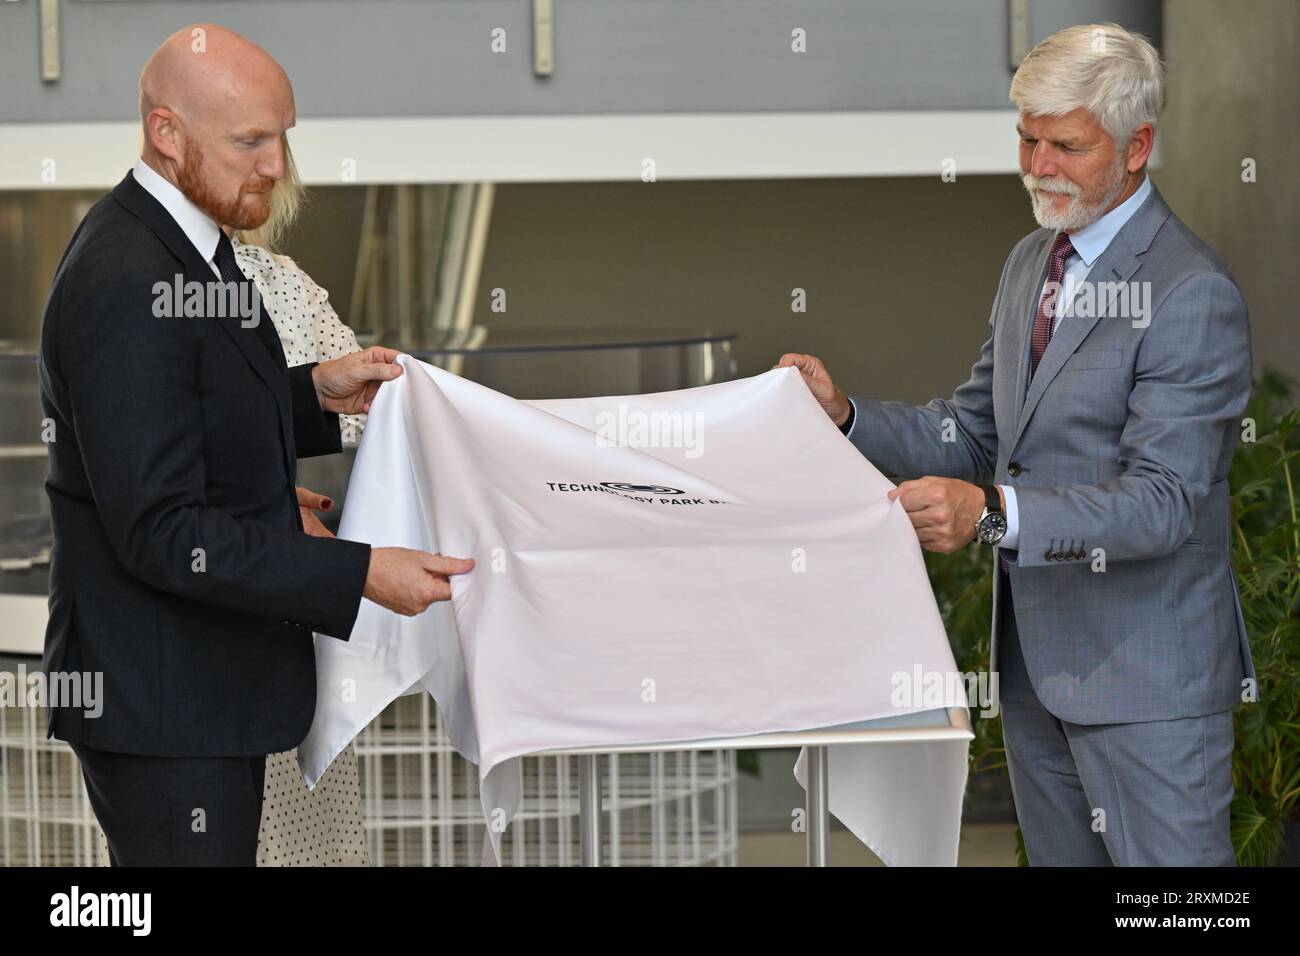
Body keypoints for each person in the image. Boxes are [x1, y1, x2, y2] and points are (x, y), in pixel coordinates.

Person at [782, 22, 1253, 865]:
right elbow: (971, 435)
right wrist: (844, 413)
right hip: (1036, 682)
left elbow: (1162, 503)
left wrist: (993, 513)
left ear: (1137, 146)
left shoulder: (1192, 292)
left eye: (1065, 145)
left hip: (1148, 693)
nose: (1037, 167)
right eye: (1026, 140)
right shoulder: (1031, 263)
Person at [39, 23, 473, 866]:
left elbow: (187, 411)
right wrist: (361, 572)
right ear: (167, 134)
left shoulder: (193, 246)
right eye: (251, 141)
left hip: (195, 690)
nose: (276, 165)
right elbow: (161, 530)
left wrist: (312, 392)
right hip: (163, 707)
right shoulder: (128, 277)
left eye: (283, 137)